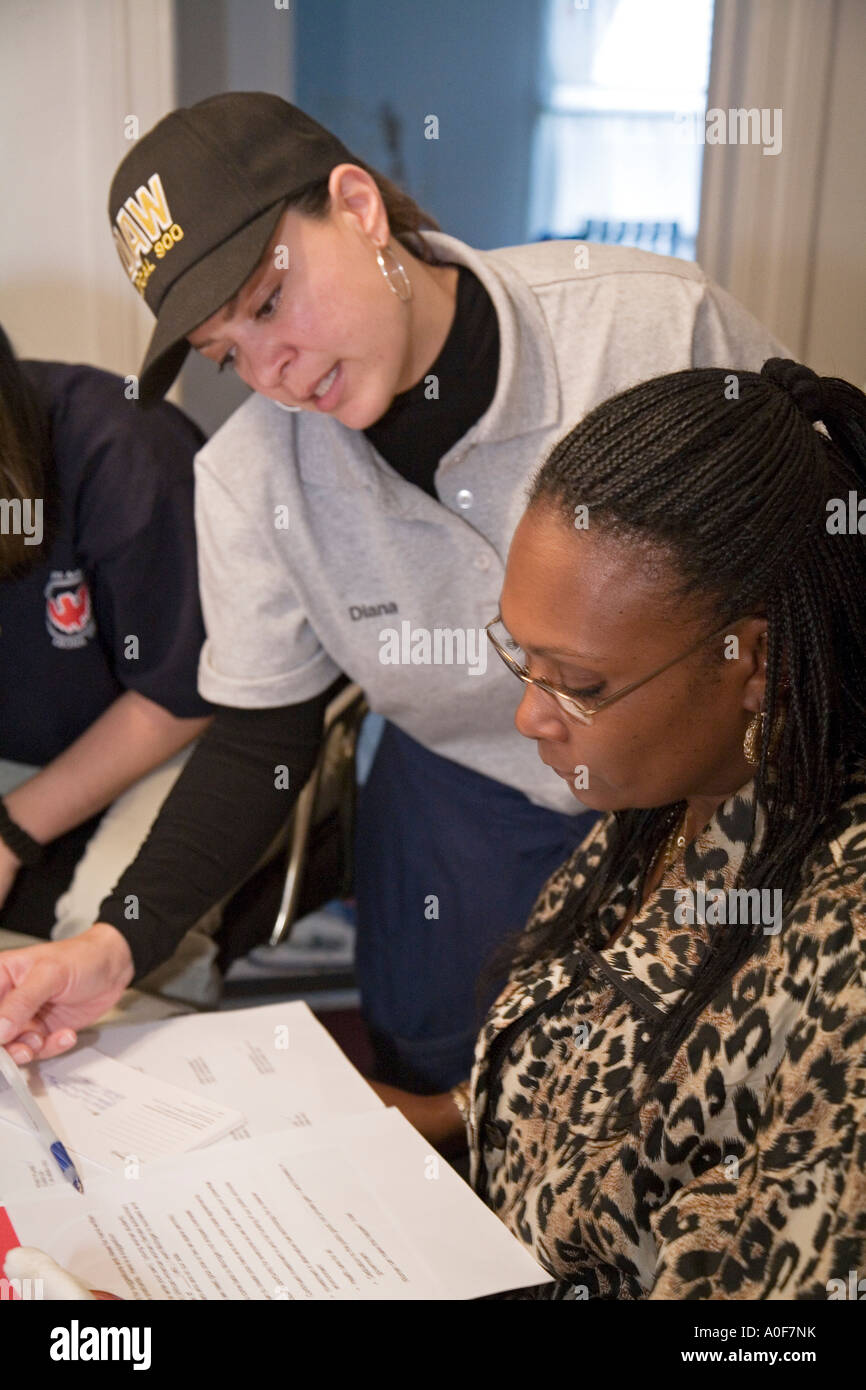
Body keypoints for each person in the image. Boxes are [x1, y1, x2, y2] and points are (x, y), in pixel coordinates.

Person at [0, 92, 787, 1088]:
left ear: (359, 207)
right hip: (473, 777)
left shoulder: (651, 328)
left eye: (270, 302)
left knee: (714, 1071)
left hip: (717, 771)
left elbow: (822, 563)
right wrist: (110, 945)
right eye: (225, 354)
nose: (271, 370)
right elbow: (257, 740)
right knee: (444, 1059)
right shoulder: (251, 480)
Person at [372, 358, 866, 1299]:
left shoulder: (844, 952)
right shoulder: (672, 798)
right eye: (521, 654)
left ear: (752, 661)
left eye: (580, 684)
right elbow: (602, 1062)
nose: (530, 715)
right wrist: (436, 1115)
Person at [0, 327, 214, 997]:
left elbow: (181, 695)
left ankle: (176, 1075)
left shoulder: (123, 450)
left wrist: (9, 832)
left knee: (100, 925)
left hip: (178, 720)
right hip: (33, 730)